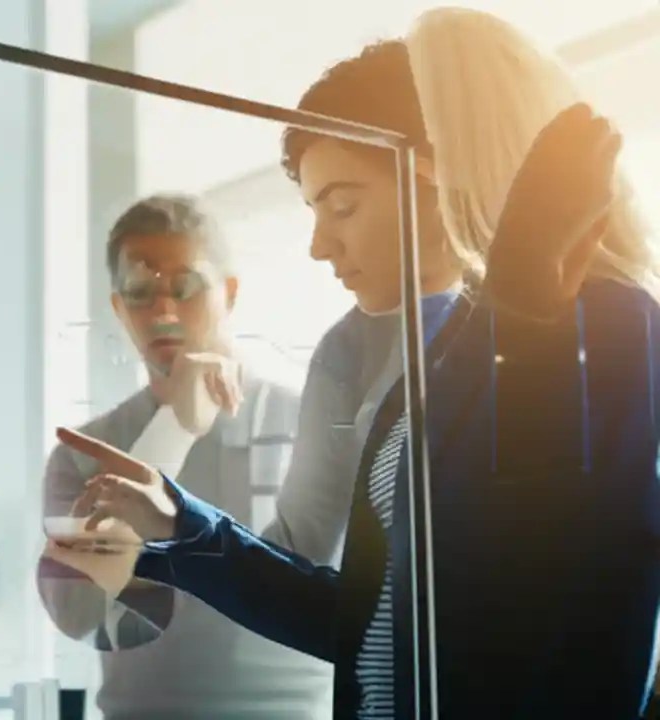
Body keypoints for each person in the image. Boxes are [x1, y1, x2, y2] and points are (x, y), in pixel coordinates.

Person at [55, 9, 660, 719]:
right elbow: (375, 625)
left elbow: (568, 598)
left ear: (431, 176)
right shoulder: (437, 362)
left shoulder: (604, 319)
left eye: (342, 206)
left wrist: (522, 306)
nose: (319, 245)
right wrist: (186, 527)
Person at [36, 194, 332, 719]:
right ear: (118, 308)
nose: (164, 312)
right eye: (140, 292)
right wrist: (174, 429)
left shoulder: (308, 423)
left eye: (185, 287)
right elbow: (78, 614)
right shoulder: (83, 452)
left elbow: (353, 602)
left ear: (230, 293)